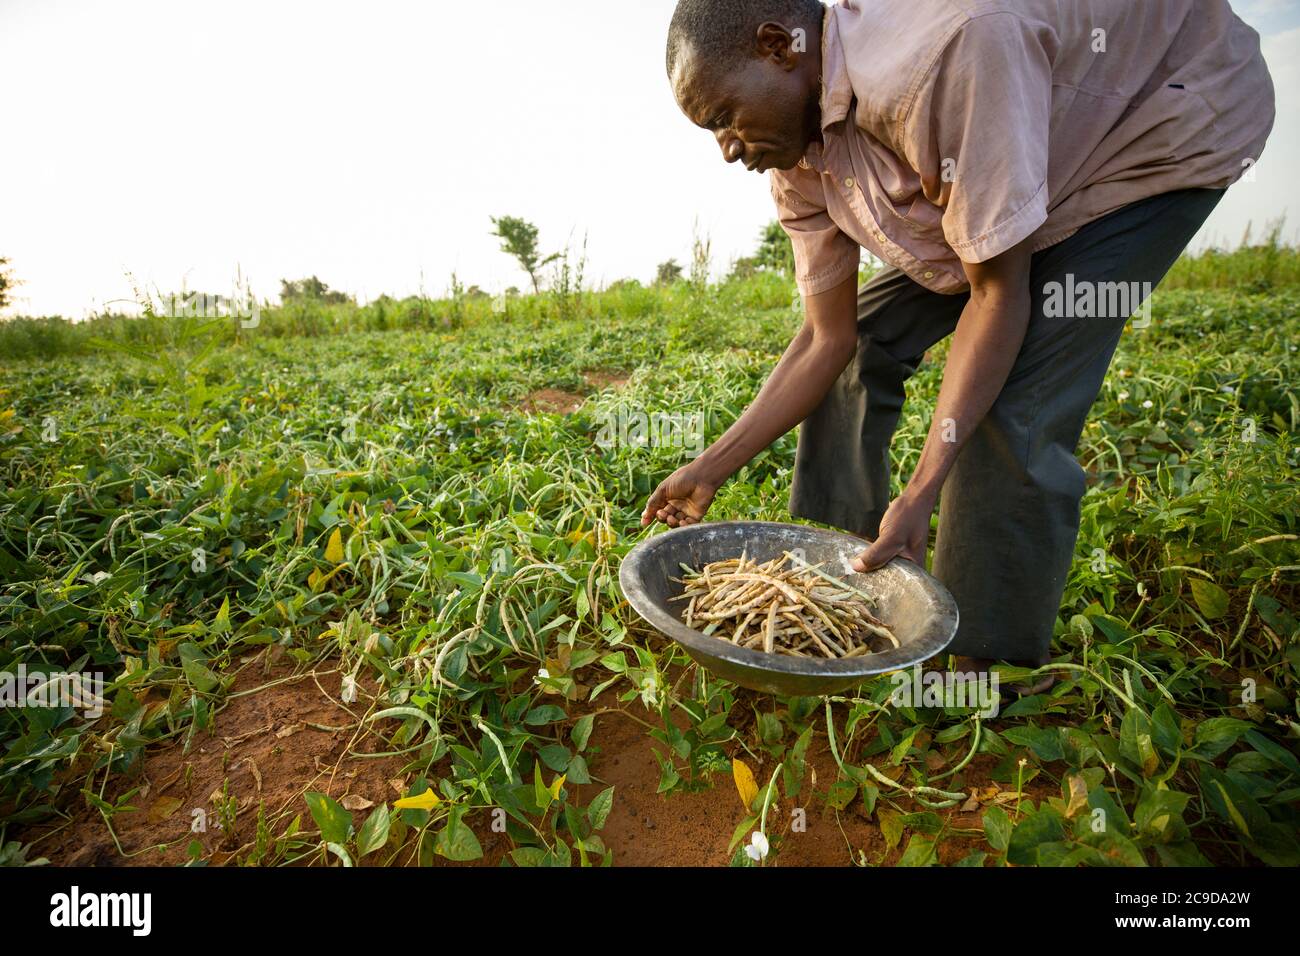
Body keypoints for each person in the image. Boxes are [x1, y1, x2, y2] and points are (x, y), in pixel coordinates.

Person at [643, 0, 1274, 693]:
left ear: (778, 47)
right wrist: (711, 466)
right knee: (865, 347)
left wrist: (921, 491)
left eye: (723, 118)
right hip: (1005, 167)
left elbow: (997, 296)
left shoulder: (947, 54)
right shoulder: (790, 154)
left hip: (1152, 127)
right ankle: (842, 570)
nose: (727, 148)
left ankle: (976, 666)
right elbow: (828, 337)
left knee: (1013, 398)